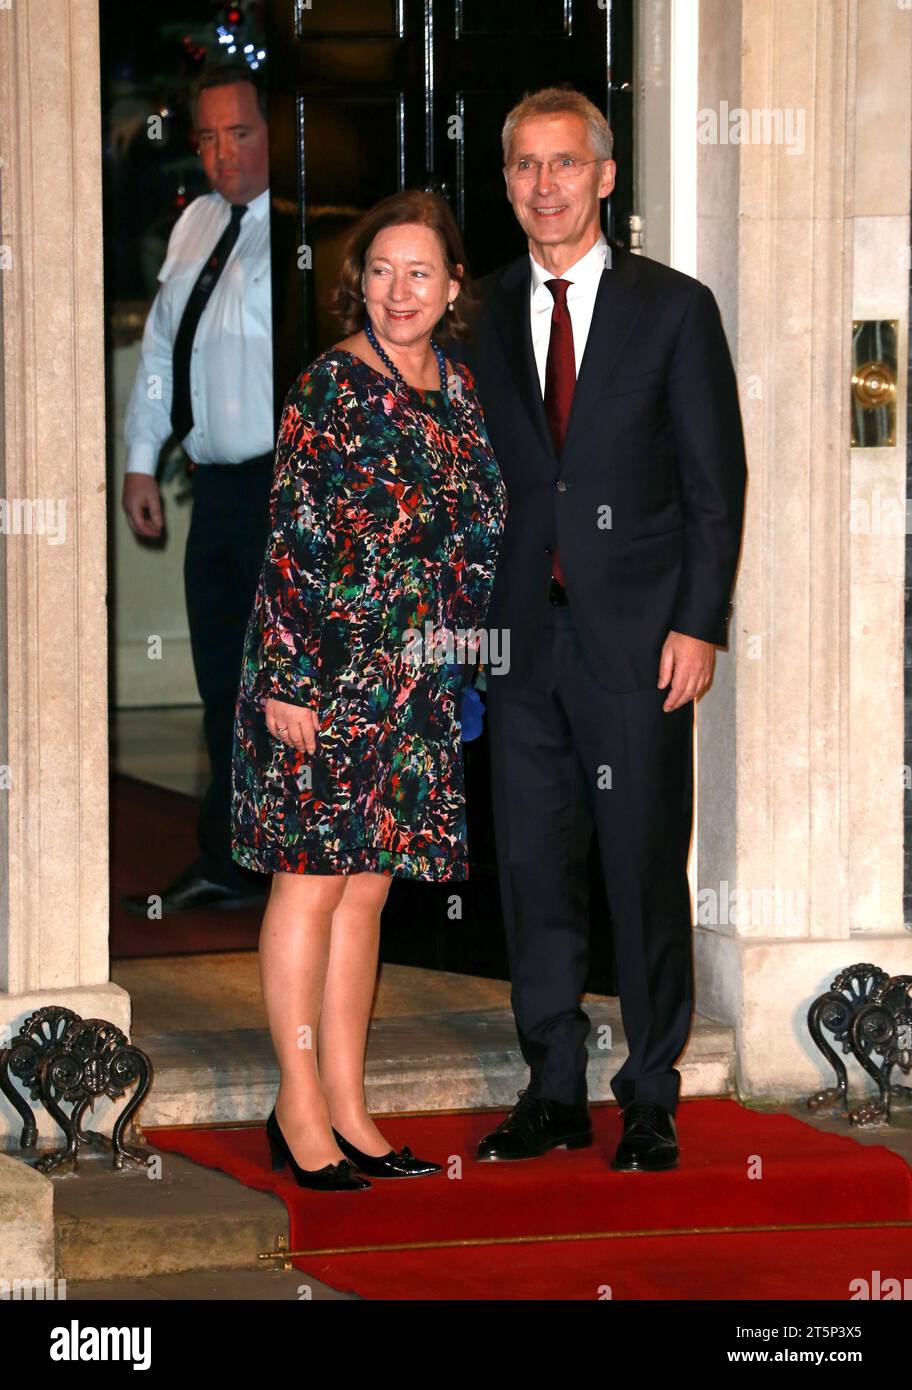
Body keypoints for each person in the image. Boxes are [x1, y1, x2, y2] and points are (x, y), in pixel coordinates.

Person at [464, 87, 747, 1172]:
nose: (546, 185)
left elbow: (716, 485)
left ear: (606, 175)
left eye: (566, 163)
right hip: (520, 646)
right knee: (534, 870)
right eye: (526, 166)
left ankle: (650, 1095)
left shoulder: (674, 309)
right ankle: (552, 1088)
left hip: (638, 646)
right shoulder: (480, 312)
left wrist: (700, 623)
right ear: (508, 182)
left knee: (638, 868)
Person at [231, 190, 507, 1191]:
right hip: (323, 676)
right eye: (382, 271)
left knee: (368, 894)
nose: (399, 291)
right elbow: (295, 543)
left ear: (452, 285)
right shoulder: (330, 387)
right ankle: (296, 1108)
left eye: (419, 272)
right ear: (361, 280)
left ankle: (349, 1103)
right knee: (308, 886)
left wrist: (465, 664)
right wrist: (292, 680)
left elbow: (475, 538)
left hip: (417, 684)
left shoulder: (461, 389)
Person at [121, 63, 297, 917]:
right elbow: (163, 351)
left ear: (276, 130)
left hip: (288, 488)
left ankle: (297, 865)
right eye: (209, 137)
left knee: (288, 687)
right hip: (217, 491)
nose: (225, 155)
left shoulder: (307, 229)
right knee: (222, 681)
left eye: (242, 133)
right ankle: (230, 860)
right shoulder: (196, 222)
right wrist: (140, 459)